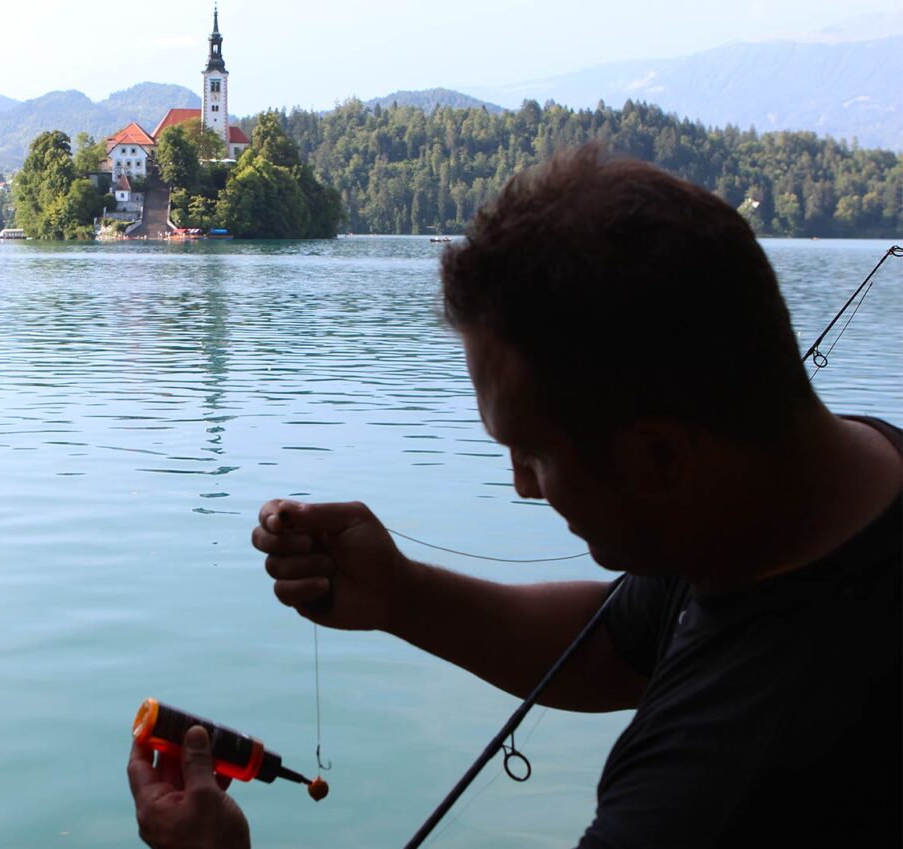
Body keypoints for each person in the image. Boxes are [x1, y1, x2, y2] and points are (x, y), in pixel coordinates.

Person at [126, 145, 902, 848]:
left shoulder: (719, 786)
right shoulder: (808, 497)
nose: (520, 485)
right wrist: (402, 594)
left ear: (660, 454)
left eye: (529, 453)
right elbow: (619, 643)